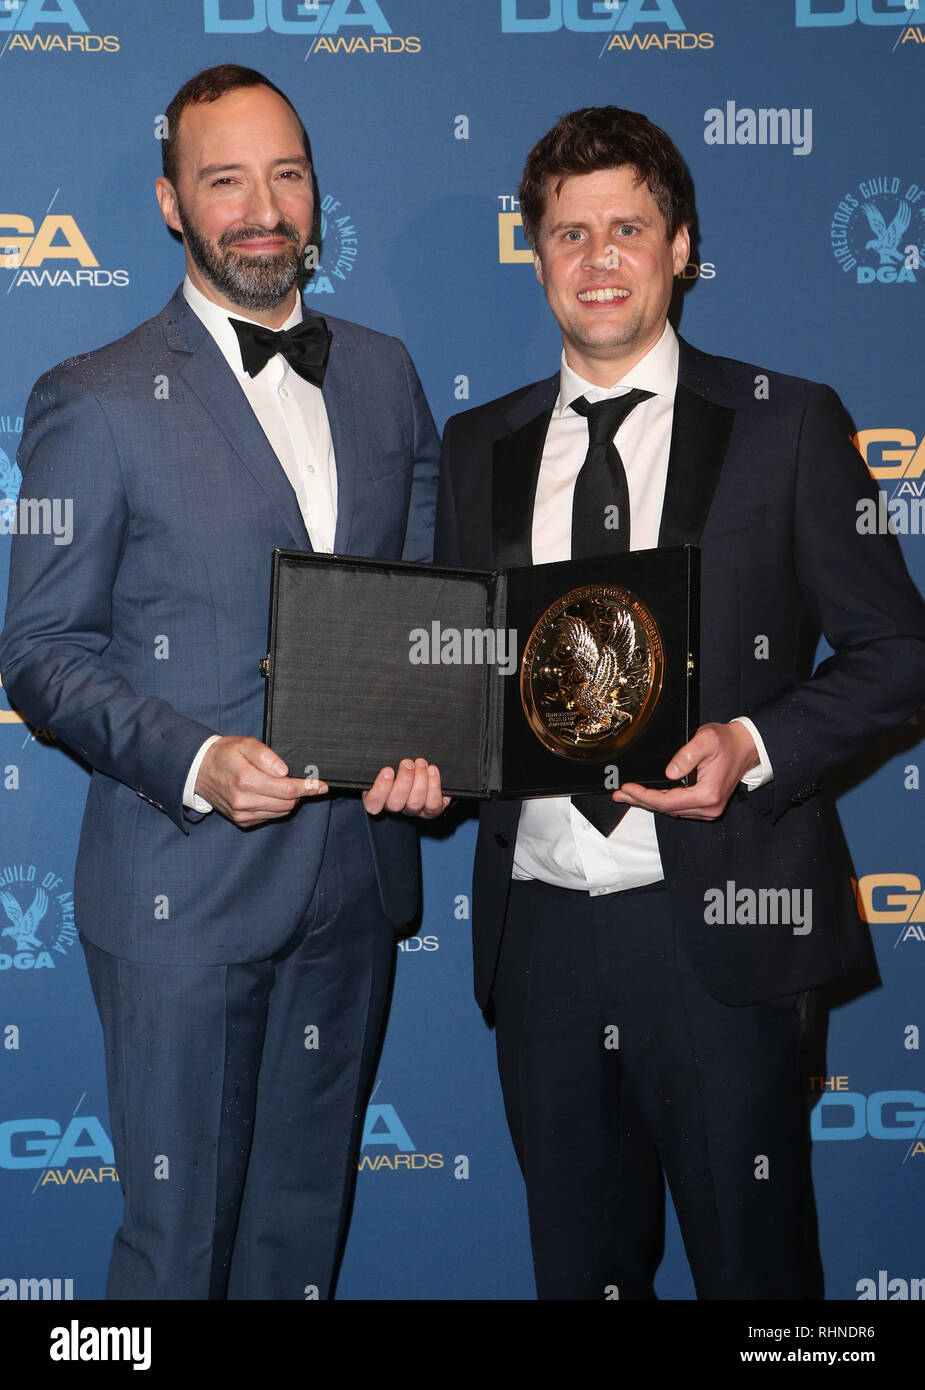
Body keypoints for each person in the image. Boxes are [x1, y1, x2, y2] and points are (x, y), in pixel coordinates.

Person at [435, 106, 925, 1300]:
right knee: (581, 1278)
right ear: (536, 255)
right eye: (568, 233)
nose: (597, 259)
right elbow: (452, 676)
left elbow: (898, 649)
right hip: (542, 937)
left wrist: (755, 740)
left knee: (761, 1285)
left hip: (721, 927)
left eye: (627, 229)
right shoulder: (475, 446)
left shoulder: (786, 422)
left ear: (682, 247)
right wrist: (419, 755)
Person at [0, 64, 446, 1300]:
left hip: (352, 883)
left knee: (301, 1244)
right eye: (225, 178)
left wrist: (431, 751)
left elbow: (425, 619)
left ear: (314, 191)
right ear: (169, 202)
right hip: (178, 899)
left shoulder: (384, 375)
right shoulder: (91, 398)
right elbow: (36, 647)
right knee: (176, 1249)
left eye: (286, 173)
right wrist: (193, 758)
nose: (263, 208)